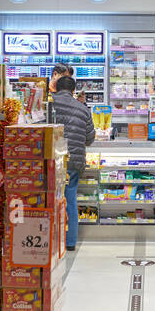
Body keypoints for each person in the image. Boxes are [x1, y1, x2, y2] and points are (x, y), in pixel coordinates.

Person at [50, 74, 95, 251]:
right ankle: (69, 242)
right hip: (73, 161)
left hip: (52, 158)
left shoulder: (50, 103)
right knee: (70, 201)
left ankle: (49, 239)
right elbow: (90, 138)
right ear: (73, 90)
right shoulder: (82, 108)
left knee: (48, 199)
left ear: (56, 88)